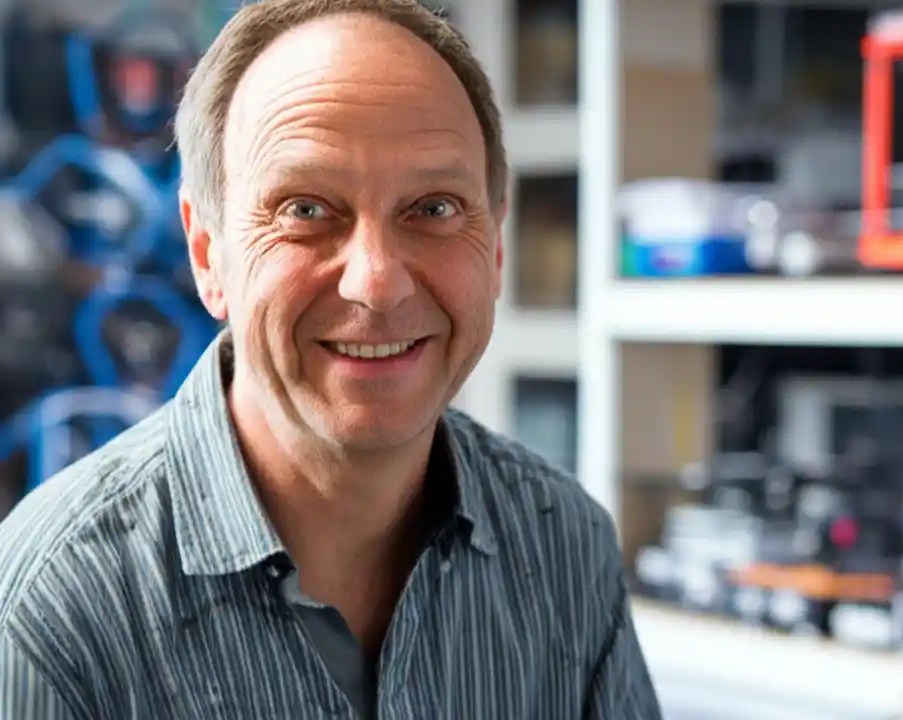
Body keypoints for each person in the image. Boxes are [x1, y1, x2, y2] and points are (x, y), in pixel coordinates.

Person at [0, 1, 661, 718]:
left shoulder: (565, 546)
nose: (376, 282)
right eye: (306, 210)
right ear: (207, 253)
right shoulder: (52, 609)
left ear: (496, 249)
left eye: (434, 208)